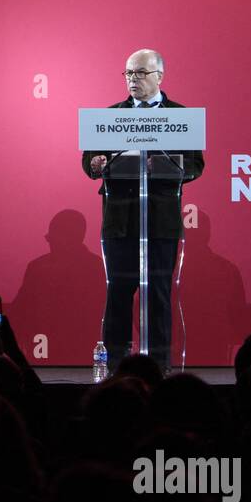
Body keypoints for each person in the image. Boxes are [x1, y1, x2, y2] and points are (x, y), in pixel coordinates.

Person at [80, 49, 204, 373]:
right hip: (120, 221)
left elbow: (195, 165)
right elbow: (89, 162)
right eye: (128, 74)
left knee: (159, 294)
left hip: (160, 221)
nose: (132, 80)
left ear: (159, 76)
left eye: (140, 73)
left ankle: (160, 366)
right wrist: (95, 165)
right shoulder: (110, 117)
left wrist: (164, 164)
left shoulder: (180, 116)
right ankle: (117, 367)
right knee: (118, 293)